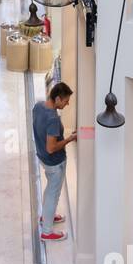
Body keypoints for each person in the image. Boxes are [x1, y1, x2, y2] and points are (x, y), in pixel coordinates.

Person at [33, 82, 77, 242]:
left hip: (43, 158)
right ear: (57, 98)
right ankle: (47, 232)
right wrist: (70, 139)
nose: (67, 103)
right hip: (54, 163)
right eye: (66, 100)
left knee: (49, 191)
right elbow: (51, 147)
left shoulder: (38, 107)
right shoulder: (52, 118)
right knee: (53, 194)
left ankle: (46, 217)